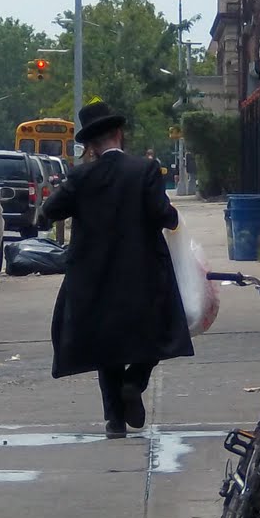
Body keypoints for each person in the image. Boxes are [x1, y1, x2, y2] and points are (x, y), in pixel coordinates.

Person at [40, 102, 193, 438]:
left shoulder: (80, 177)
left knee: (105, 346)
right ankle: (134, 381)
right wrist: (172, 218)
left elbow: (50, 211)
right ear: (119, 134)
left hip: (93, 277)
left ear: (91, 145)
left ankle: (114, 421)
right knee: (156, 335)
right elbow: (162, 214)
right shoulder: (145, 170)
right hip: (143, 272)